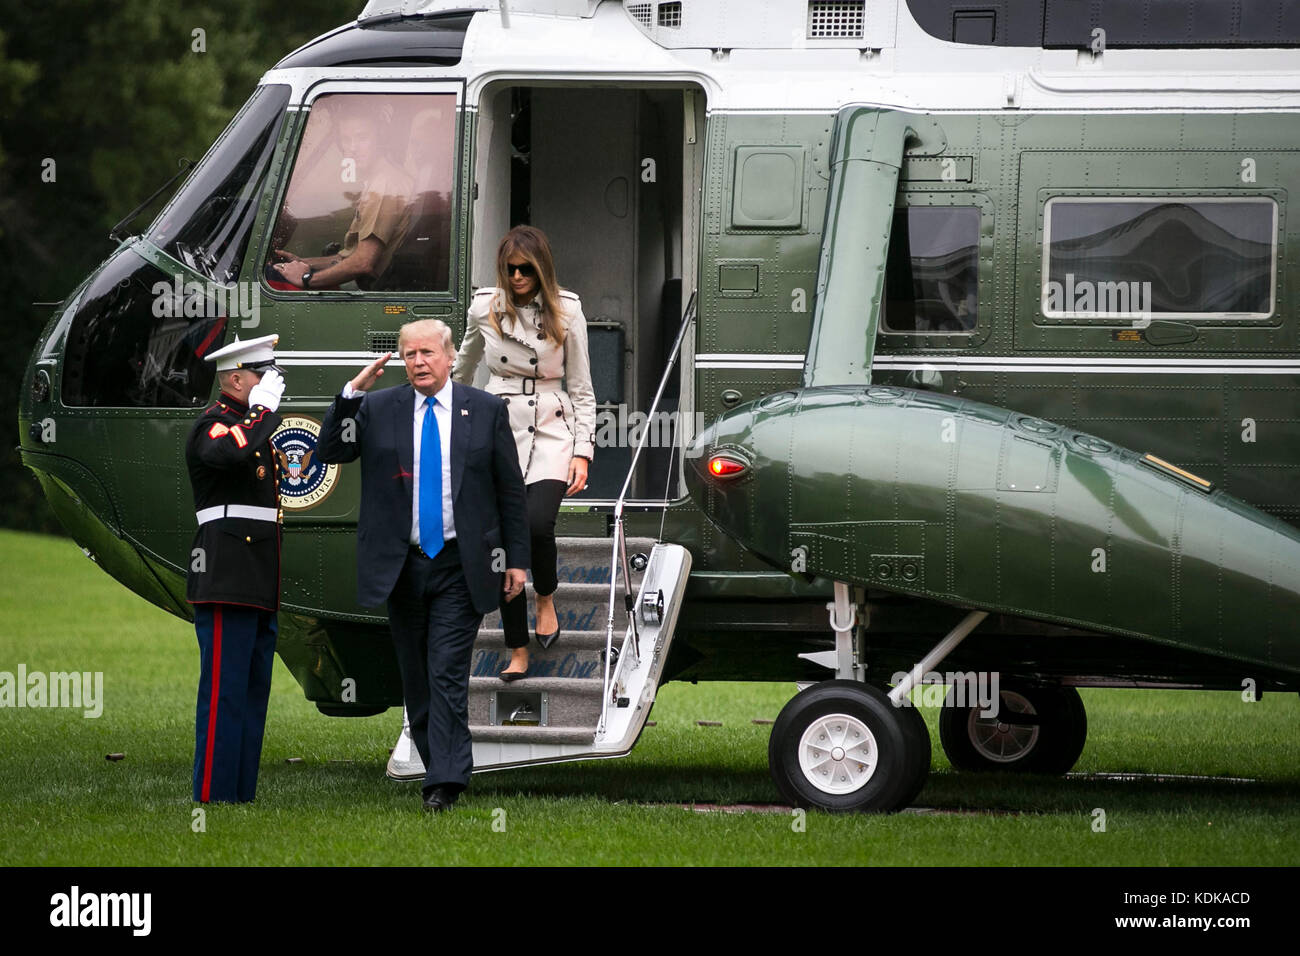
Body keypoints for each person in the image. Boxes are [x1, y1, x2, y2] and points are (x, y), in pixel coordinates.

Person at [318, 319, 530, 813]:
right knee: (416, 676)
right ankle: (441, 764)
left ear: (450, 356)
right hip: (402, 565)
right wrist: (351, 392)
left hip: (461, 563)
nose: (418, 362)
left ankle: (446, 780)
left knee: (446, 671)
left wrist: (517, 559)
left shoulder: (484, 410)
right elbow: (331, 451)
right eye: (409, 354)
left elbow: (510, 490)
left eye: (427, 353)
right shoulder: (377, 407)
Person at [453, 225, 596, 680]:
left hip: (553, 428)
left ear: (541, 269)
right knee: (500, 542)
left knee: (536, 523)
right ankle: (517, 649)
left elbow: (583, 389)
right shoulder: (484, 308)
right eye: (510, 269)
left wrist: (583, 450)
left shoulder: (568, 311)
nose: (516, 277)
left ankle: (547, 595)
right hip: (499, 423)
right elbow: (463, 366)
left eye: (526, 270)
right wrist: (441, 414)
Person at [184, 333, 287, 804]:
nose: (272, 385)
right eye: (263, 376)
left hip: (259, 575)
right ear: (236, 378)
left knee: (251, 690)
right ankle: (212, 792)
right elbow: (227, 454)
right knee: (224, 690)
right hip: (226, 574)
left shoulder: (249, 427)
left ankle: (240, 792)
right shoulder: (214, 425)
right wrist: (262, 411)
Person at [270, 105, 414, 291]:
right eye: (346, 139)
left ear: (380, 138)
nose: (352, 148)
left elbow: (363, 263)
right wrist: (303, 262)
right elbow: (350, 257)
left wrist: (306, 279)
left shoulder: (384, 186)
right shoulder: (380, 180)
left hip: (374, 292)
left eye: (362, 137)